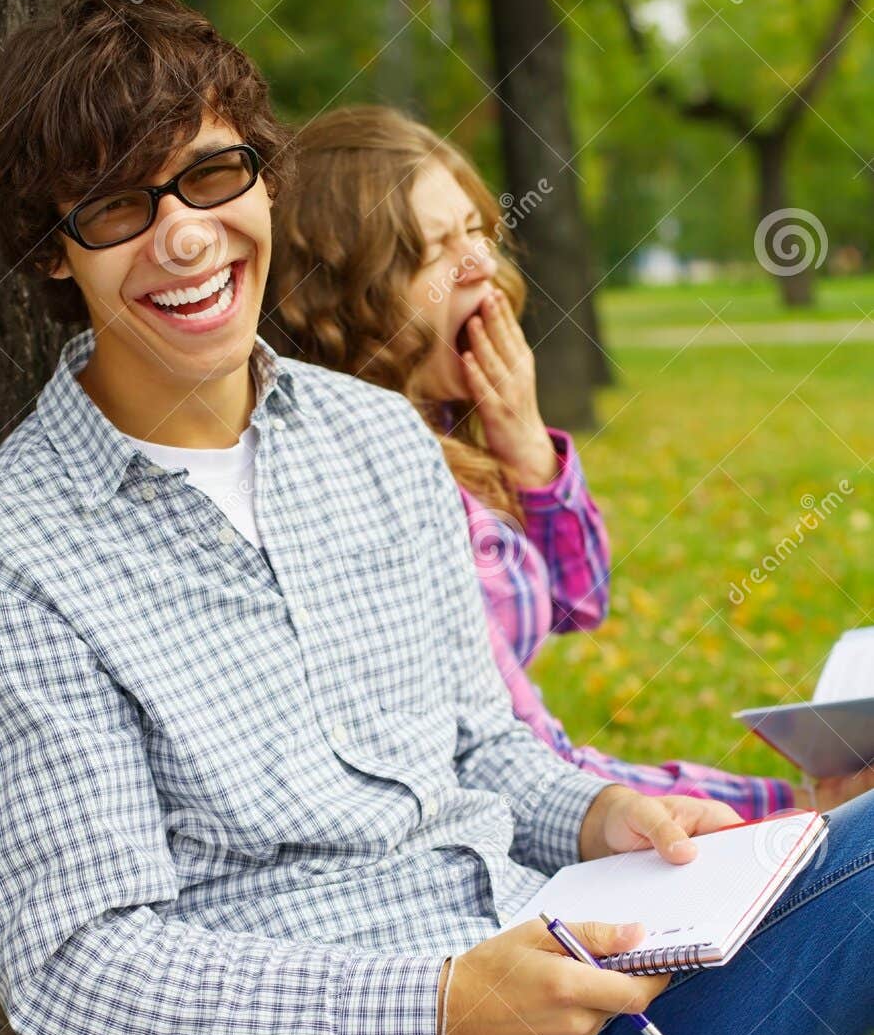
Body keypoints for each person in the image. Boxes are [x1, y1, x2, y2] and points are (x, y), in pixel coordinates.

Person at [0, 0, 874, 1035]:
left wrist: (603, 811)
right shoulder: (7, 560)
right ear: (54, 254)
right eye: (113, 205)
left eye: (209, 174)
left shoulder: (367, 436)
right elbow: (83, 973)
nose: (181, 234)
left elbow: (480, 743)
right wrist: (435, 1006)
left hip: (559, 980)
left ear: (258, 178)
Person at [263, 105, 874, 818]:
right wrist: (783, 807)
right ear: (348, 296)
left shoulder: (448, 433)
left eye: (475, 231)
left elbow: (576, 601)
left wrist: (524, 446)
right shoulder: (374, 485)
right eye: (436, 249)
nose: (481, 264)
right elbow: (529, 767)